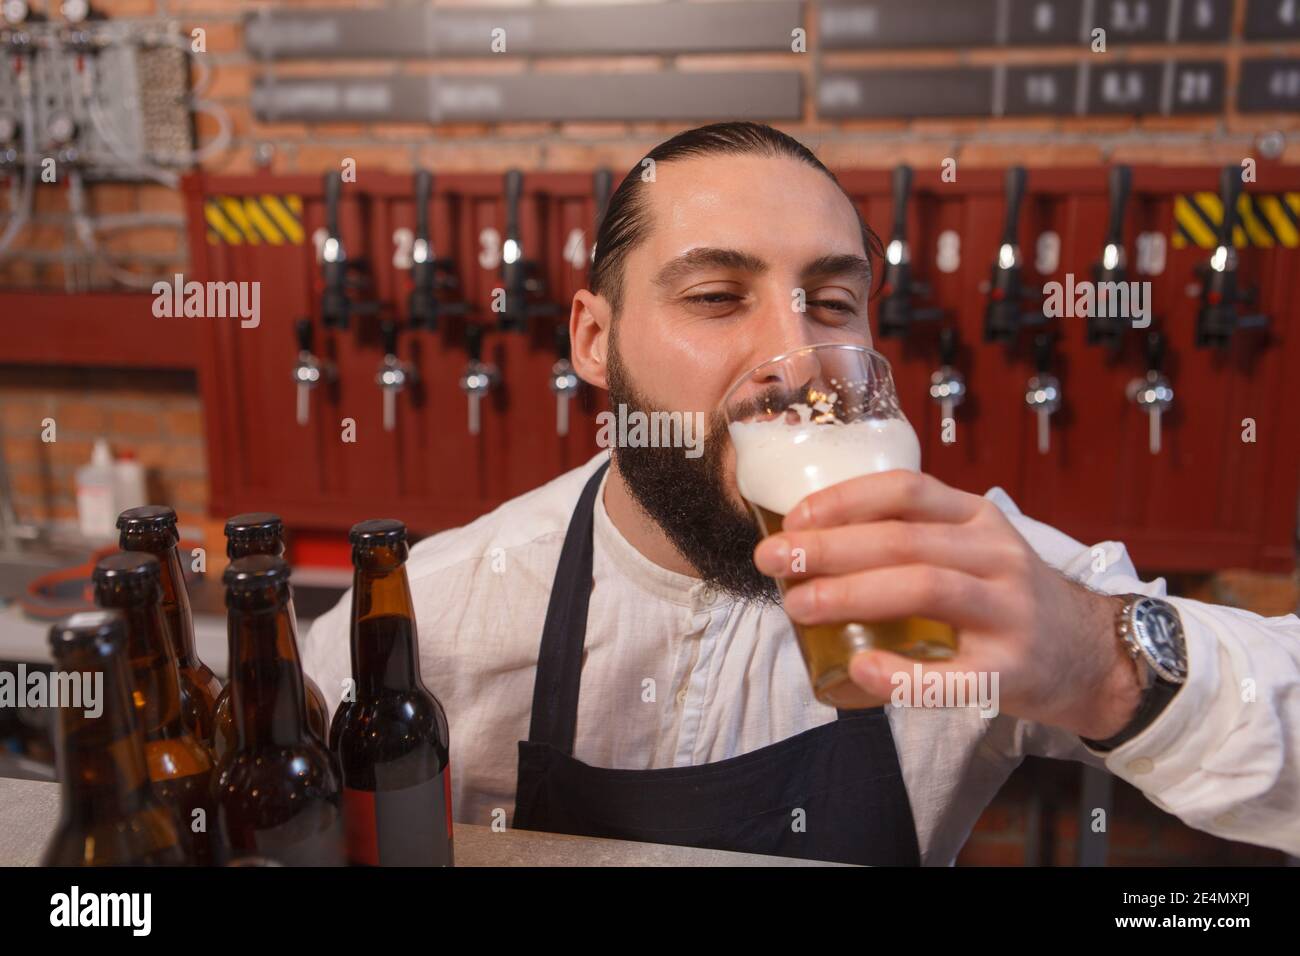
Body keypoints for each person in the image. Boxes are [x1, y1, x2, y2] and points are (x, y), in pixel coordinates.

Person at [303, 121, 1300, 865]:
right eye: (714, 295)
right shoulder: (436, 615)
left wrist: (1103, 659)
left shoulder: (961, 578)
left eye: (830, 302)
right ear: (593, 340)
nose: (792, 358)